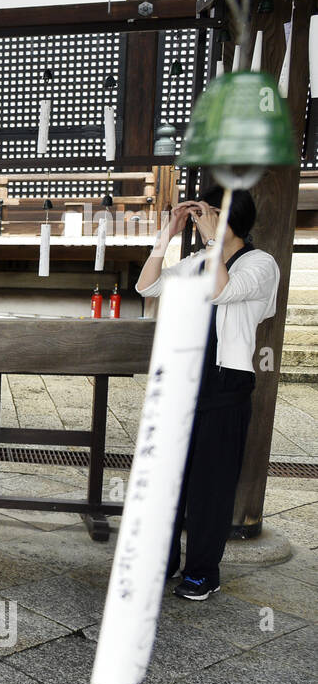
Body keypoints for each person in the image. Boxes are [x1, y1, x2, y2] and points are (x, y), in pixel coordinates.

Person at [136, 187, 279, 602]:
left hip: (224, 384)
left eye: (211, 212)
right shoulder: (199, 260)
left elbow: (222, 292)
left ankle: (202, 573)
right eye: (201, 214)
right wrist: (168, 233)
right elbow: (148, 288)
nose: (202, 221)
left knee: (210, 487)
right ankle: (163, 564)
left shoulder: (260, 263)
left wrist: (215, 239)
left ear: (234, 217)